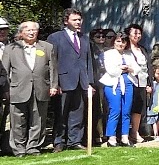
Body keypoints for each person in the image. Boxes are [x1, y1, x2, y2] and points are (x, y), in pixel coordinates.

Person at [3, 21, 57, 155]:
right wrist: (5, 90)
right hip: (17, 90)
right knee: (17, 122)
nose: (32, 33)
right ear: (21, 33)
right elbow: (4, 71)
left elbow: (53, 69)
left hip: (41, 89)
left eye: (34, 30)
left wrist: (54, 86)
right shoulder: (11, 48)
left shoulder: (47, 47)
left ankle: (33, 148)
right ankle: (19, 149)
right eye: (28, 30)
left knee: (38, 120)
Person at [47, 8, 93, 150]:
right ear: (66, 21)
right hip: (63, 82)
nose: (78, 22)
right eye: (75, 20)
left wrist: (89, 82)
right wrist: (55, 83)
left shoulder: (84, 38)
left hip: (81, 81)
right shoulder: (55, 37)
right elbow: (51, 62)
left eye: (79, 19)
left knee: (77, 113)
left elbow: (88, 61)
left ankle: (75, 141)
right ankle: (59, 142)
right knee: (61, 113)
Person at [99, 31, 137, 146]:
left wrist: (128, 68)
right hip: (113, 85)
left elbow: (136, 69)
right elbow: (111, 70)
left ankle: (125, 137)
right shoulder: (108, 54)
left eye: (123, 41)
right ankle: (111, 137)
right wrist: (122, 68)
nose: (121, 44)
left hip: (128, 84)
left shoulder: (129, 54)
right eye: (118, 41)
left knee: (126, 111)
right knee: (115, 110)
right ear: (114, 42)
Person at [125, 24, 150, 144]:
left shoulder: (143, 49)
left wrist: (149, 83)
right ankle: (123, 133)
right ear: (129, 34)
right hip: (130, 82)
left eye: (139, 33)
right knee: (127, 107)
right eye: (135, 33)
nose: (137, 35)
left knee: (138, 108)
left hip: (142, 82)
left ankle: (135, 132)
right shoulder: (125, 49)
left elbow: (148, 67)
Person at [0, 18, 10, 154]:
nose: (1, 32)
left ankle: (7, 147)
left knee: (9, 121)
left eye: (4, 29)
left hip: (13, 90)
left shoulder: (14, 46)